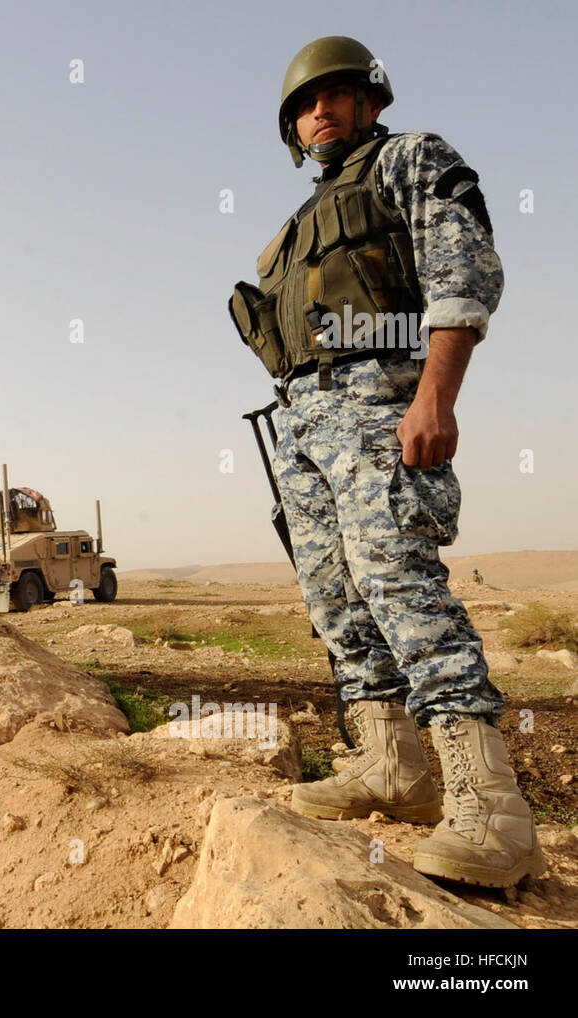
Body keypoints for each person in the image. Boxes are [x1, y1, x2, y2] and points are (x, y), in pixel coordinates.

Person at [229, 36, 540, 888]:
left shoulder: (410, 158)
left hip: (379, 405)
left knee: (399, 582)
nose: (319, 110)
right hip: (303, 423)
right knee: (334, 595)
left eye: (335, 94)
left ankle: (494, 808)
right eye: (304, 103)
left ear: (370, 100)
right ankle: (391, 767)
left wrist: (435, 397)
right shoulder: (294, 229)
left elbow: (462, 275)